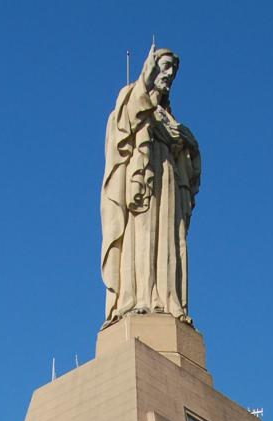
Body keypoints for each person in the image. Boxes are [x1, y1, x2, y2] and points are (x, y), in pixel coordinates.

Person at [100, 46, 201, 326]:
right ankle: (140, 299)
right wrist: (144, 76)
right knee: (143, 235)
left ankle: (170, 302)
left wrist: (186, 142)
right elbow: (125, 120)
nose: (169, 75)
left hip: (168, 182)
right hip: (142, 184)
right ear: (152, 67)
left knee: (171, 240)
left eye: (173, 71)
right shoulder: (132, 97)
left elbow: (193, 170)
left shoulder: (171, 120)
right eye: (165, 67)